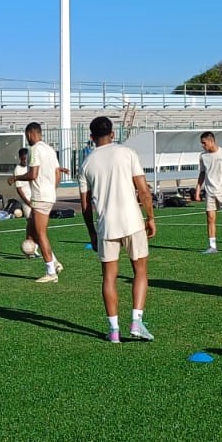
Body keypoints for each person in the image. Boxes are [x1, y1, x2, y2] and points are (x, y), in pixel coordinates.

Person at [80, 116, 156, 343]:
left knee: (109, 277)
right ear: (113, 134)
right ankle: (136, 321)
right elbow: (143, 191)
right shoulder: (127, 153)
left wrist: (92, 232)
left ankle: (113, 330)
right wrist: (150, 217)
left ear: (92, 137)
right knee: (140, 271)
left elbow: (85, 206)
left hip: (106, 225)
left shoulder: (86, 164)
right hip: (132, 221)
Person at [12, 122, 65, 283]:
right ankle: (53, 262)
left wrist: (16, 178)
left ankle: (51, 271)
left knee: (41, 234)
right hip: (47, 194)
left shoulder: (34, 149)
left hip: (40, 196)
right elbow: (57, 173)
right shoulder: (49, 149)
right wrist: (52, 189)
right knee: (33, 229)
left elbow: (33, 174)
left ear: (30, 134)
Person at [6, 147, 33, 218]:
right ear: (19, 157)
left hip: (35, 197)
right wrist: (27, 202)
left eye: (26, 159)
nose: (25, 161)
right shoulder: (18, 170)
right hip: (26, 199)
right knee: (30, 219)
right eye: (23, 159)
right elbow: (19, 189)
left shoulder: (31, 167)